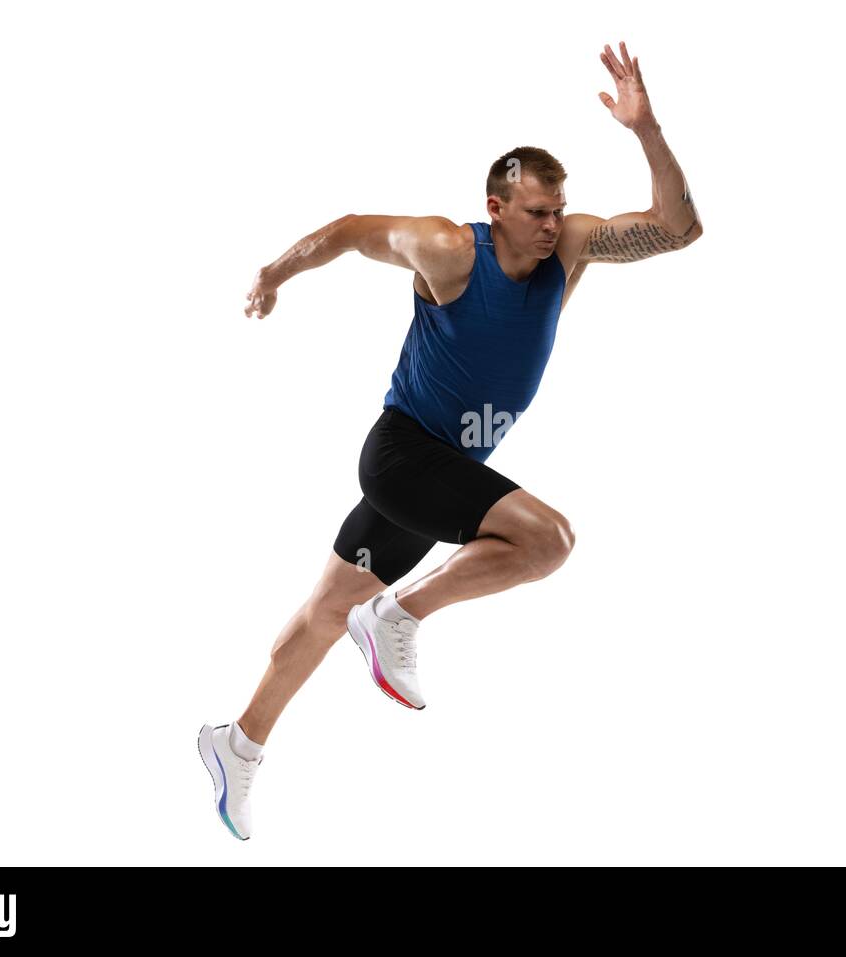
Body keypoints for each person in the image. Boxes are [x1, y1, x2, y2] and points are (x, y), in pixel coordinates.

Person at [198, 41, 703, 840]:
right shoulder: (448, 249)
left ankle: (239, 742)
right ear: (497, 207)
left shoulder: (568, 251)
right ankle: (399, 615)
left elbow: (678, 229)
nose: (551, 225)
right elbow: (347, 230)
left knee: (328, 608)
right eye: (536, 212)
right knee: (548, 541)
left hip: (443, 475)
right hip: (402, 455)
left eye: (557, 208)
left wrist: (646, 131)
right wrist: (271, 273)